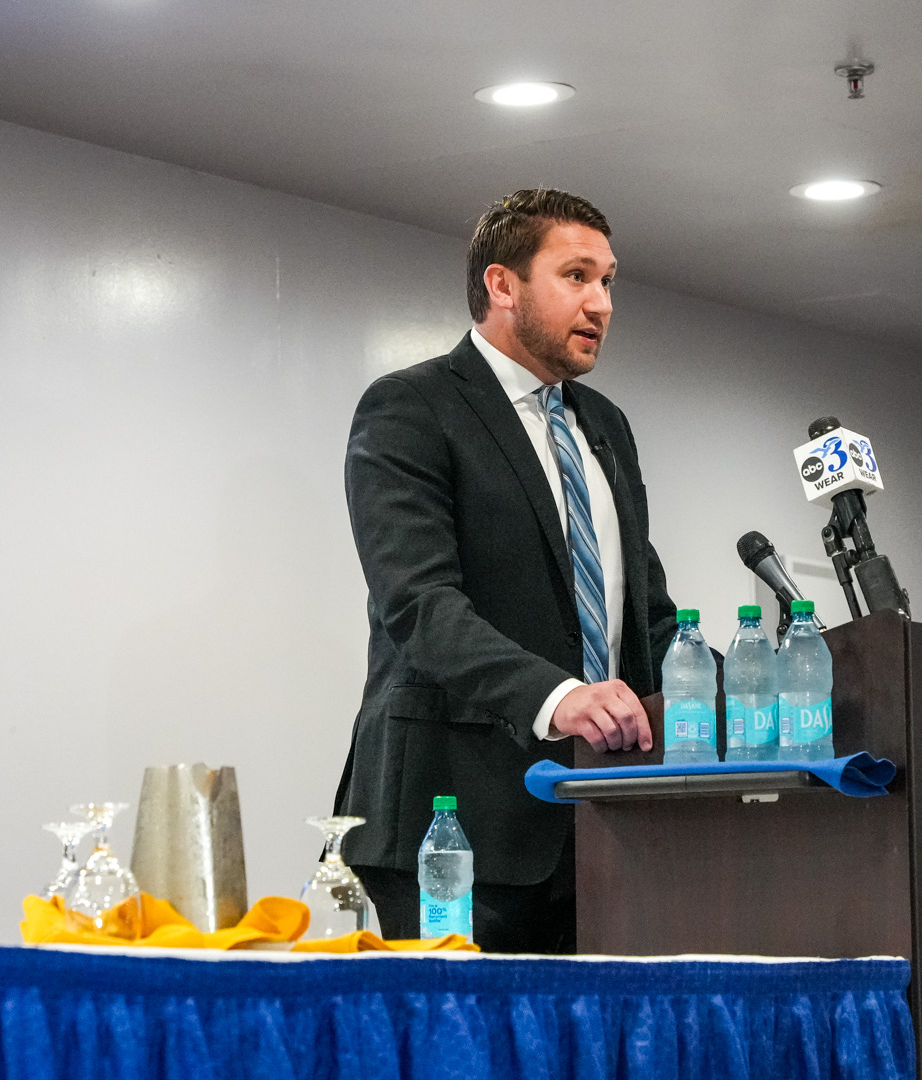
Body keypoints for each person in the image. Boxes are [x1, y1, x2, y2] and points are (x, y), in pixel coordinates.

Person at [332, 189, 677, 954]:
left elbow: (643, 615)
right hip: (453, 830)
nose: (602, 303)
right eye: (577, 276)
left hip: (605, 823)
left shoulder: (606, 427)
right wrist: (562, 699)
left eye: (609, 281)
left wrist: (737, 684)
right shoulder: (411, 408)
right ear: (502, 285)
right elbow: (420, 606)